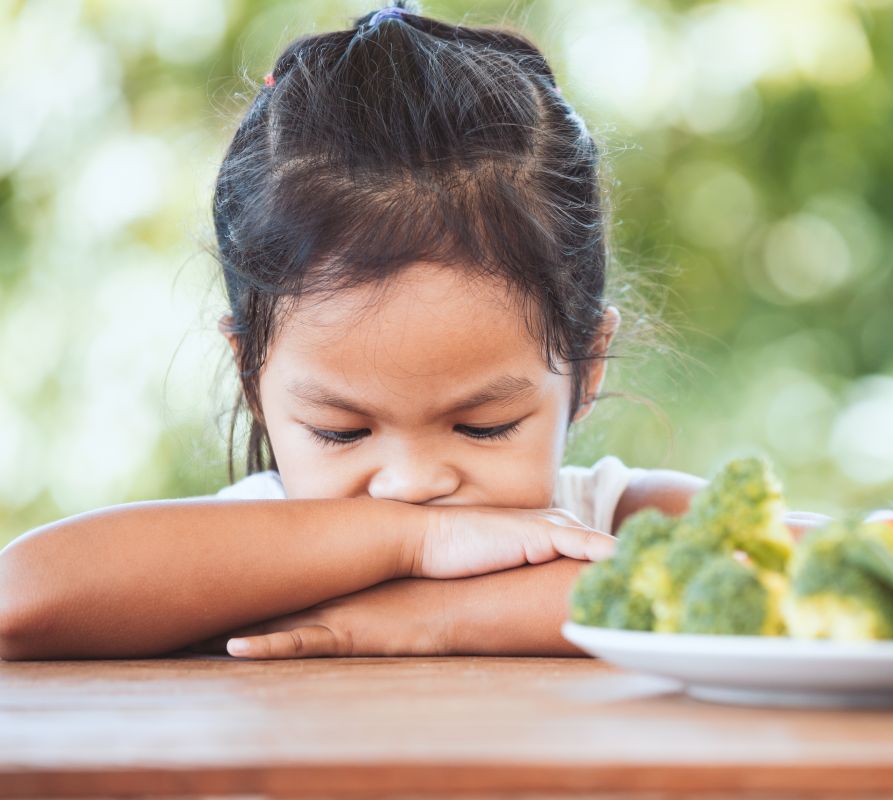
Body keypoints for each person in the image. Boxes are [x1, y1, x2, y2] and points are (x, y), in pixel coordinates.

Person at [0, 2, 810, 662]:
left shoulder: (609, 518)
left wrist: (443, 618)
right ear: (252, 374)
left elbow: (818, 576)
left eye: (484, 426)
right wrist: (414, 544)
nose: (412, 483)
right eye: (342, 431)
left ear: (587, 366)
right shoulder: (248, 545)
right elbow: (19, 600)